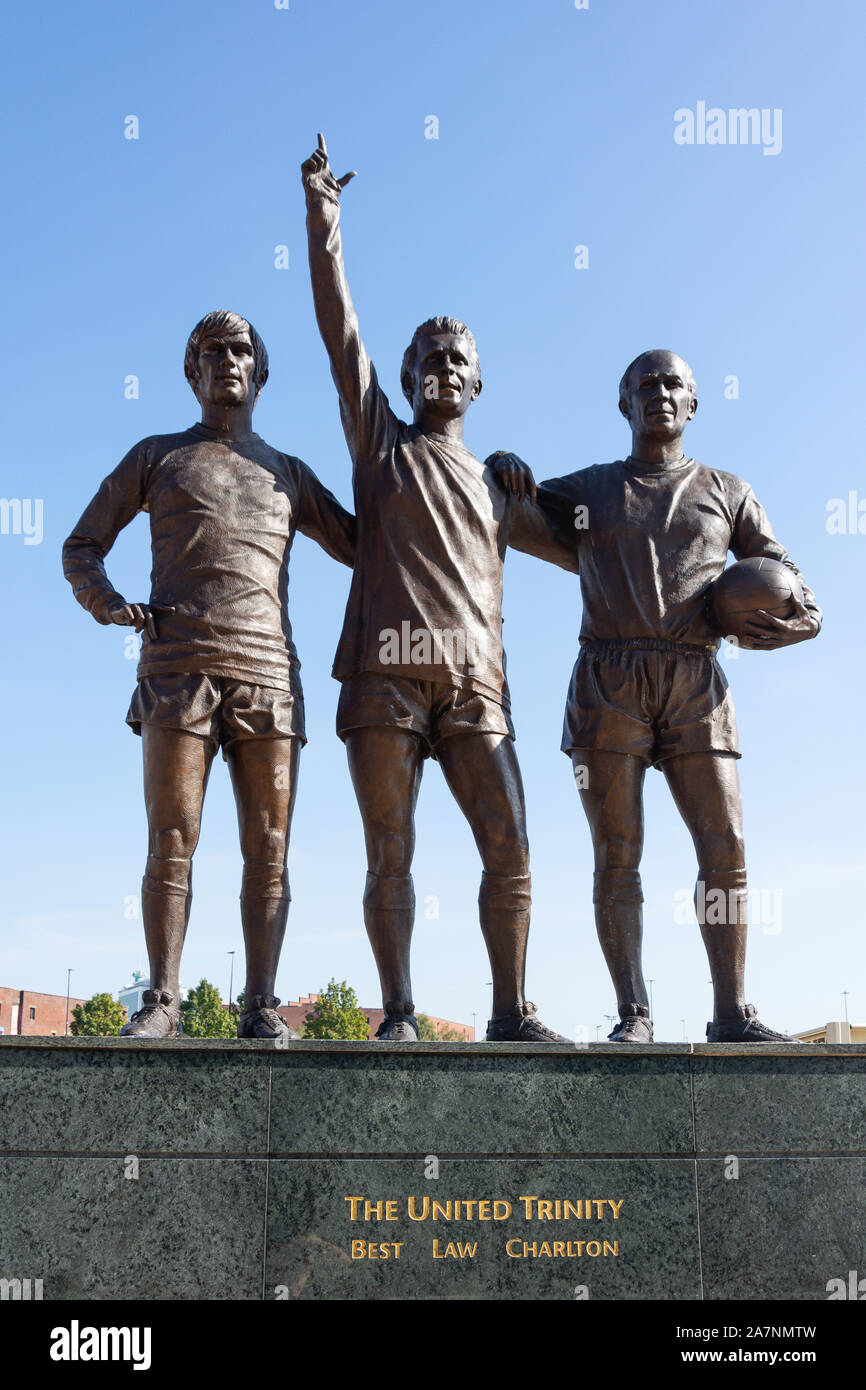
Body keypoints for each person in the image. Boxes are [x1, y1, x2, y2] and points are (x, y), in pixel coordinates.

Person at [302, 135, 575, 1043]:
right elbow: (341, 334)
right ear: (411, 375)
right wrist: (324, 220)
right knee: (392, 850)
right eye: (429, 357)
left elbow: (600, 551)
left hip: (475, 684)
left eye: (458, 359)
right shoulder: (381, 442)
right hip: (384, 675)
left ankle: (510, 1010)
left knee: (512, 845)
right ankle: (402, 1015)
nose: (443, 368)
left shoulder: (504, 484)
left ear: (479, 381)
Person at [490, 348, 821, 1042]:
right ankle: (633, 1013)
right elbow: (506, 508)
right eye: (645, 385)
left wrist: (800, 623)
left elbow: (790, 580)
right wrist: (501, 464)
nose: (659, 393)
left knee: (725, 845)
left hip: (696, 678)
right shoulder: (591, 489)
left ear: (693, 402)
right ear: (625, 404)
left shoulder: (729, 490)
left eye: (673, 384)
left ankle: (731, 1013)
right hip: (609, 680)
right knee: (617, 852)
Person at [62, 310, 355, 1039]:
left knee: (270, 848)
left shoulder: (288, 471)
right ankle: (163, 1000)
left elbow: (366, 544)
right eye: (211, 351)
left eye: (241, 349)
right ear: (192, 371)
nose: (228, 359)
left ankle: (260, 1003)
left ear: (261, 372)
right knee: (171, 836)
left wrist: (425, 476)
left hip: (267, 674)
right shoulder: (158, 455)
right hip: (176, 669)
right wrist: (105, 602)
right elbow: (81, 543)